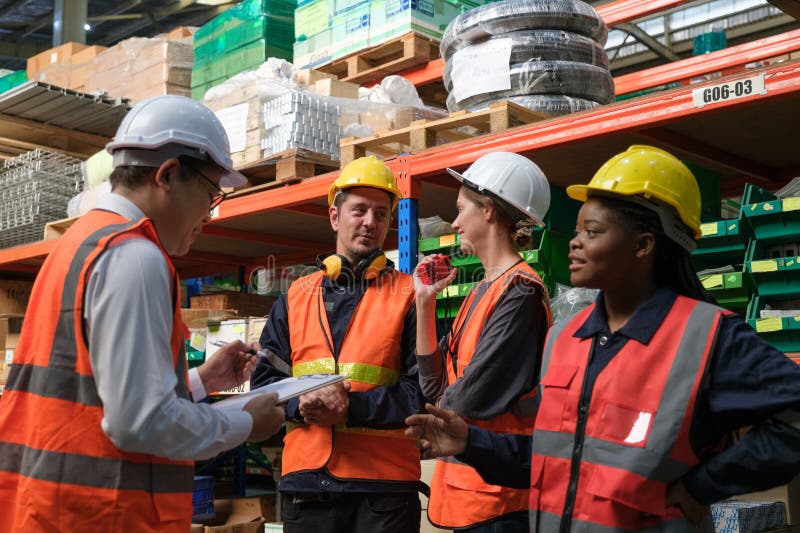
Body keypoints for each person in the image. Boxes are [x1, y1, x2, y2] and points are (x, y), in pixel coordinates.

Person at [406, 145, 800, 532]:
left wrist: (701, 487)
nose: (574, 243)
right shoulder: (565, 339)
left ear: (643, 245)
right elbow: (553, 459)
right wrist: (470, 442)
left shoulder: (707, 336)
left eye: (592, 232)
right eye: (577, 231)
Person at [0, 95, 286, 532]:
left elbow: (100, 393)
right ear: (168, 174)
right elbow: (140, 422)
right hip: (105, 515)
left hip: (55, 509)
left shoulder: (82, 243)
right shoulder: (135, 255)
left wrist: (199, 382)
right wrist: (245, 423)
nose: (209, 216)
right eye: (211, 194)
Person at [250, 155, 425, 533]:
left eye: (381, 214)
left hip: (383, 489)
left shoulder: (411, 295)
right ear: (334, 216)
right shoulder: (296, 296)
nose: (370, 223)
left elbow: (422, 393)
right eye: (359, 210)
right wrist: (301, 405)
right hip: (308, 486)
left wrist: (349, 409)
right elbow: (262, 382)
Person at [413, 152, 552, 532]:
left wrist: (441, 404)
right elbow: (434, 389)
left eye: (461, 209)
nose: (455, 222)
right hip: (466, 493)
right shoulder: (482, 292)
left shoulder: (520, 295)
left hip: (500, 500)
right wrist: (425, 304)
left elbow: (466, 400)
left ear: (488, 210)